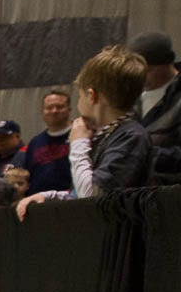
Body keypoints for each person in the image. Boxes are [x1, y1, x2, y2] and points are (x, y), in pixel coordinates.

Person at [17, 45, 151, 221]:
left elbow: (92, 198)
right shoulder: (105, 134)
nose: (79, 102)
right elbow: (81, 192)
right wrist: (50, 196)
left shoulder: (130, 136)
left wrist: (78, 144)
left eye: (79, 96)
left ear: (91, 96)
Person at [128, 31, 181, 185]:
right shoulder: (132, 95)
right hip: (137, 191)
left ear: (166, 64)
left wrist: (146, 154)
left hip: (169, 191)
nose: (141, 77)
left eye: (148, 71)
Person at [24, 90, 73, 194]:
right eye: (49, 107)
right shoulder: (35, 143)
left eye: (60, 107)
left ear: (69, 110)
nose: (54, 111)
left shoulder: (79, 136)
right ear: (43, 112)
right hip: (38, 201)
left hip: (71, 200)